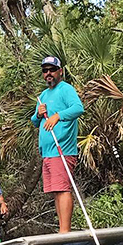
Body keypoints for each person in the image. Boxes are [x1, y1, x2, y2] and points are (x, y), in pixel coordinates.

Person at [31, 56, 84, 233]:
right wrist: (39, 114)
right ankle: (62, 229)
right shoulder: (43, 96)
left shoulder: (65, 89)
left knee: (63, 189)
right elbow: (34, 121)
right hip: (47, 152)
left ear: (60, 71)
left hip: (62, 149)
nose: (48, 74)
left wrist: (58, 116)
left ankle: (65, 231)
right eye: (45, 71)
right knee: (56, 191)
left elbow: (78, 108)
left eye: (52, 70)